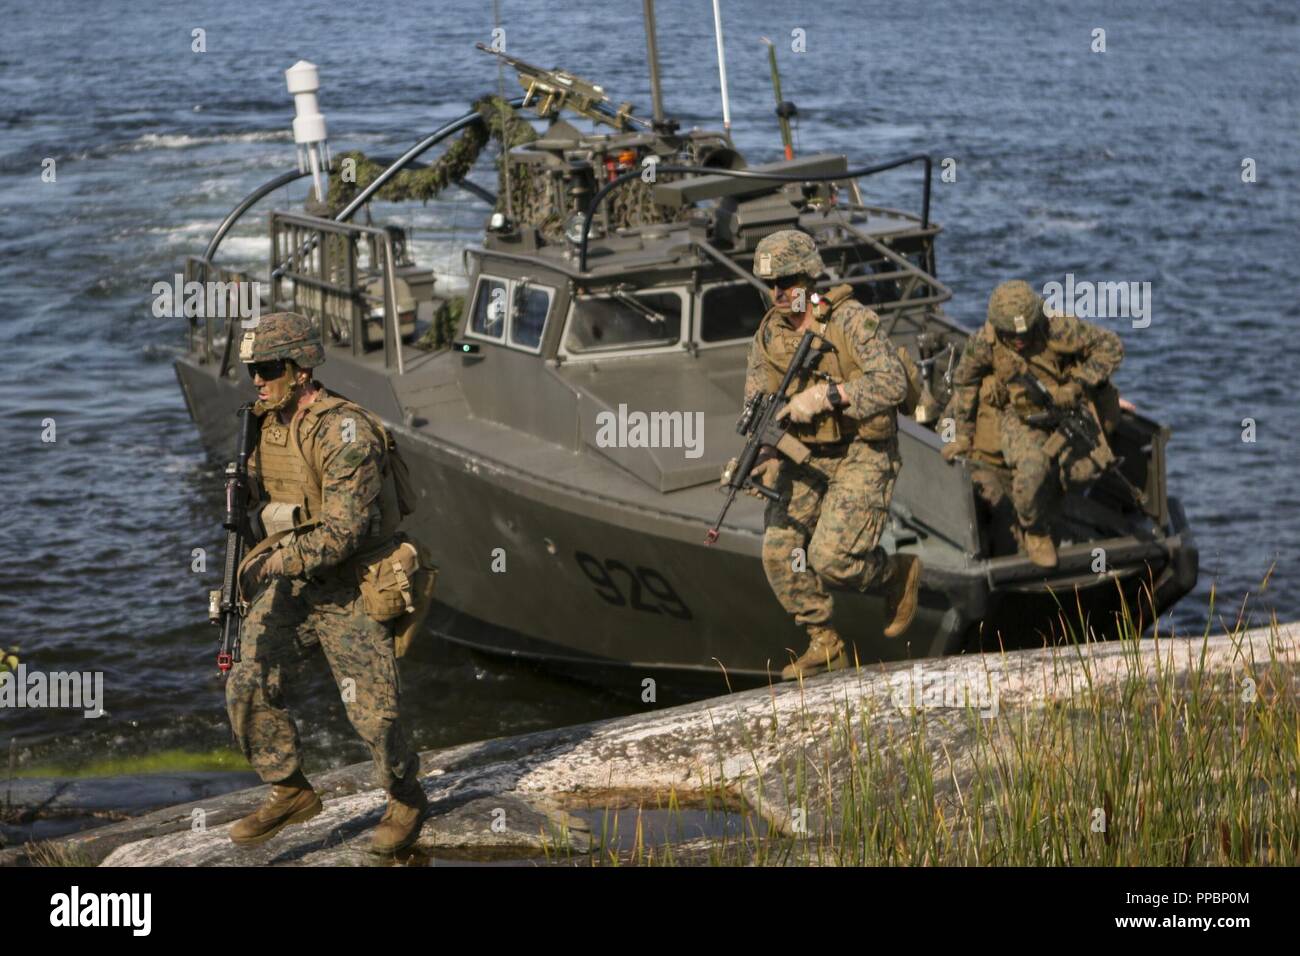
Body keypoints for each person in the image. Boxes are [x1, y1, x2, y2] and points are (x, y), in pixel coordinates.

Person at [225, 311, 426, 854]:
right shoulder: (265, 422)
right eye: (252, 370)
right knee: (246, 679)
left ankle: (406, 799)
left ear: (299, 368)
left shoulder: (347, 433)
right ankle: (289, 789)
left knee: (375, 716)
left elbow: (340, 535)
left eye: (267, 368)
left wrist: (268, 566)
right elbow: (261, 503)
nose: (257, 380)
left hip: (352, 583)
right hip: (298, 582)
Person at [738, 229, 922, 680]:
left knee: (832, 558)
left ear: (809, 277)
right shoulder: (767, 337)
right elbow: (760, 404)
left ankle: (895, 572)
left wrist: (828, 396)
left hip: (863, 449)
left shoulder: (850, 321)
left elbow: (893, 383)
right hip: (806, 454)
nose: (779, 294)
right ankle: (825, 642)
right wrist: (761, 455)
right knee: (779, 552)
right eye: (771, 286)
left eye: (787, 283)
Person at [940, 280, 1124, 568]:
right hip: (1023, 415)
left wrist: (1077, 385)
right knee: (1032, 470)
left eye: (1025, 332)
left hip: (1069, 409)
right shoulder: (985, 343)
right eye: (1011, 335)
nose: (1019, 340)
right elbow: (965, 381)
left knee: (1084, 471)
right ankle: (1034, 529)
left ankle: (1058, 498)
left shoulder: (1058, 327)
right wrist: (962, 434)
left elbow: (1111, 346)